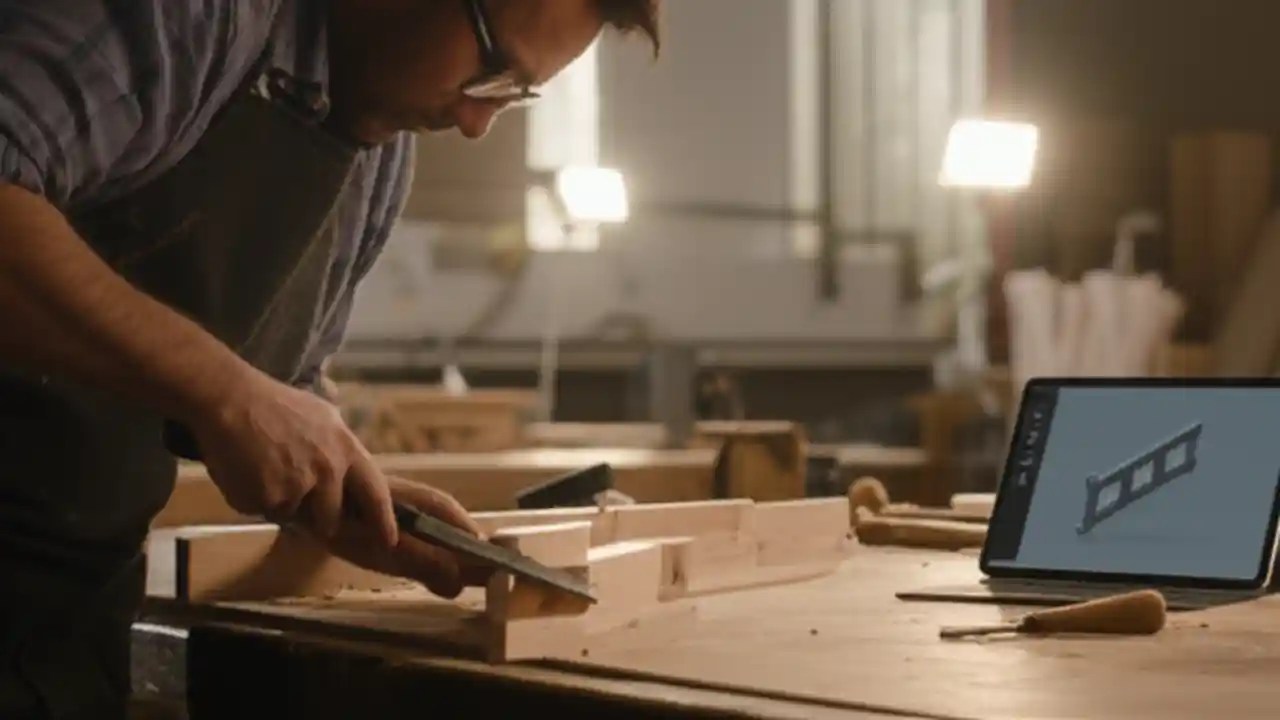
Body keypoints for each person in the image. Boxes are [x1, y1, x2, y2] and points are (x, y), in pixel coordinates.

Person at [0, 0, 660, 716]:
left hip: (61, 628)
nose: (476, 123)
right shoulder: (197, 18)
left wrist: (343, 492)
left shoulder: (373, 166)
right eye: (490, 69)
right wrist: (224, 392)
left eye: (512, 94)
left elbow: (269, 393)